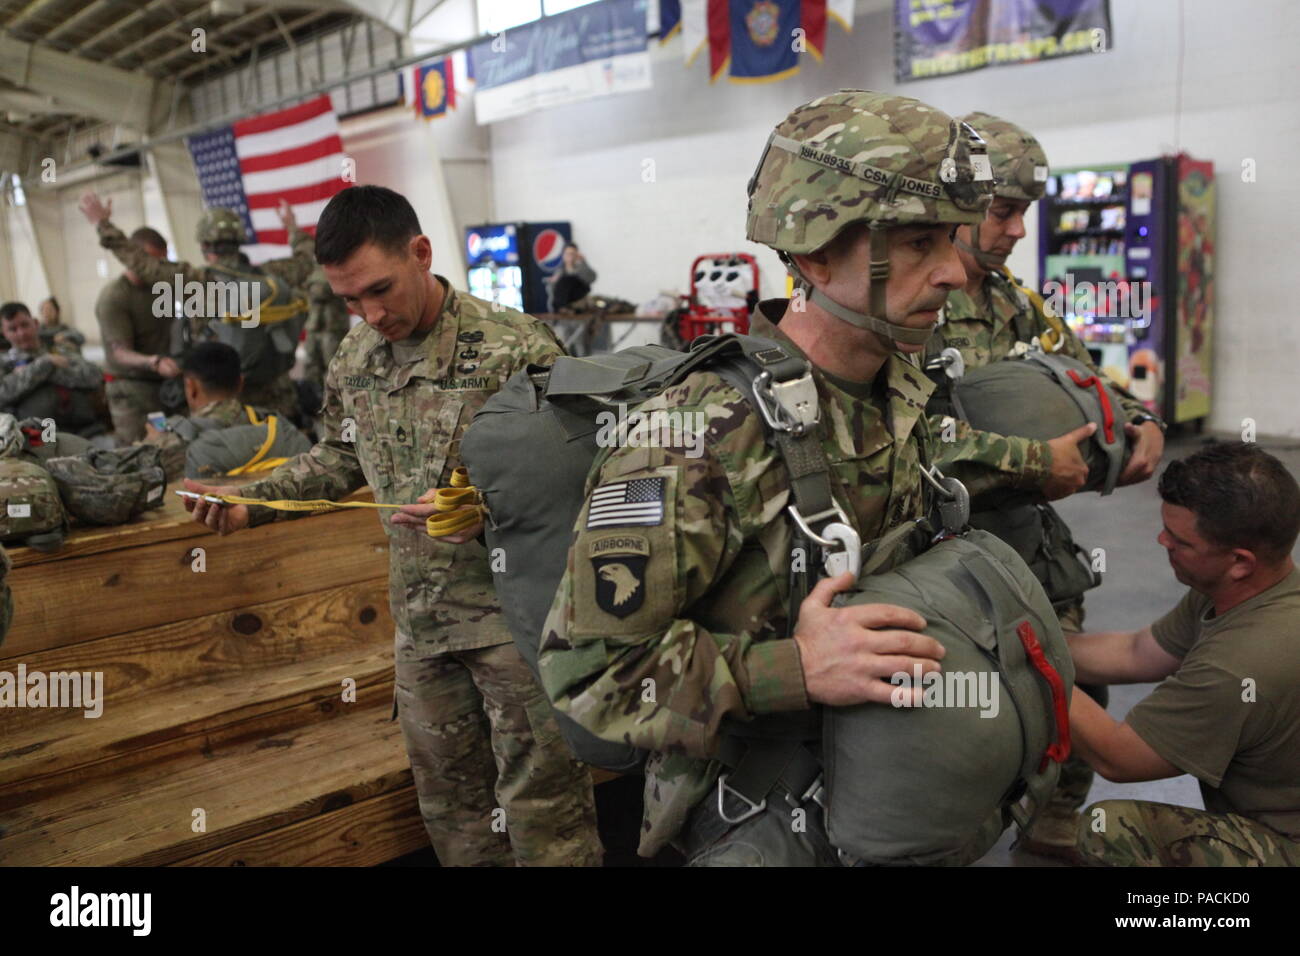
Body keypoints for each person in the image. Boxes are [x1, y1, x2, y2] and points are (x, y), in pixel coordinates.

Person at [537, 90, 1089, 866]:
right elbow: (591, 673)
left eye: (952, 240)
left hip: (887, 791)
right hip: (753, 812)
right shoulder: (693, 439)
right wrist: (788, 669)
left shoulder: (901, 389)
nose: (954, 276)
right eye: (919, 241)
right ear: (816, 248)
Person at [177, 185, 601, 867]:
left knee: (545, 815)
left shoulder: (514, 347)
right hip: (422, 629)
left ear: (421, 253)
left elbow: (587, 468)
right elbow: (340, 455)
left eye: (379, 289)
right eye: (349, 301)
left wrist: (485, 504)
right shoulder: (355, 359)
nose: (370, 314)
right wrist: (251, 503)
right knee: (454, 811)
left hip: (516, 625)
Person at [926, 112, 1167, 861]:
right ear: (957, 204)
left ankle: (1057, 820)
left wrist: (1140, 416)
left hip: (1027, 535)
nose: (1015, 231)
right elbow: (899, 440)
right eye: (1003, 211)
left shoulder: (1014, 303)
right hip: (940, 544)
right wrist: (1033, 463)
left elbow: (1085, 377)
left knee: (1070, 669)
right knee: (953, 708)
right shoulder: (911, 305)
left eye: (1024, 212)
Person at [1069, 442, 1300, 866]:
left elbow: (1119, 758)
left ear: (1240, 562)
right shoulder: (1239, 592)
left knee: (1114, 831)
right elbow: (1137, 652)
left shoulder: (1242, 662)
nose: (1161, 540)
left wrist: (1021, 662)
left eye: (1179, 540)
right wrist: (1039, 638)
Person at [79, 193, 312, 423]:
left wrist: (103, 224)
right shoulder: (274, 275)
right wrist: (292, 227)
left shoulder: (197, 281)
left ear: (204, 245)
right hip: (279, 397)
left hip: (227, 403)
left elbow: (143, 264)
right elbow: (306, 259)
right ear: (240, 241)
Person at [92, 226, 180, 442]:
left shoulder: (162, 288)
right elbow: (119, 353)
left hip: (163, 384)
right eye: (151, 261)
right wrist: (154, 362)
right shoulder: (115, 297)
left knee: (171, 445)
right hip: (130, 389)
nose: (156, 268)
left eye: (161, 262)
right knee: (137, 450)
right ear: (134, 257)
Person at [142, 342, 271, 480]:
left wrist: (152, 442)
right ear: (240, 383)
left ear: (191, 387)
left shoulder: (168, 440)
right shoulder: (269, 423)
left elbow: (137, 481)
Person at [0, 302, 106, 435]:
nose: (21, 333)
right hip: (38, 439)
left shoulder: (61, 350)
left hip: (86, 431)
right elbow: (3, 393)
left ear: (36, 323)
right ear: (4, 333)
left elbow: (94, 376)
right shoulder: (4, 363)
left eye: (24, 325)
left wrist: (43, 372)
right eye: (13, 329)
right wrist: (44, 365)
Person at [546, 243, 607, 355]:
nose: (570, 256)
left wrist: (583, 262)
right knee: (565, 346)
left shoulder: (580, 270)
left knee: (581, 346)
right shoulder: (559, 272)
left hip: (579, 315)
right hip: (563, 316)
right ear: (563, 255)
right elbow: (554, 297)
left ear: (577, 255)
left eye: (573, 254)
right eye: (568, 254)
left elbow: (591, 278)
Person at [302, 265, 352, 389]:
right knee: (311, 364)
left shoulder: (335, 269)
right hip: (315, 326)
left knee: (332, 365)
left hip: (332, 328)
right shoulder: (313, 270)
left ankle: (332, 400)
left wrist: (308, 284)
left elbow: (321, 290)